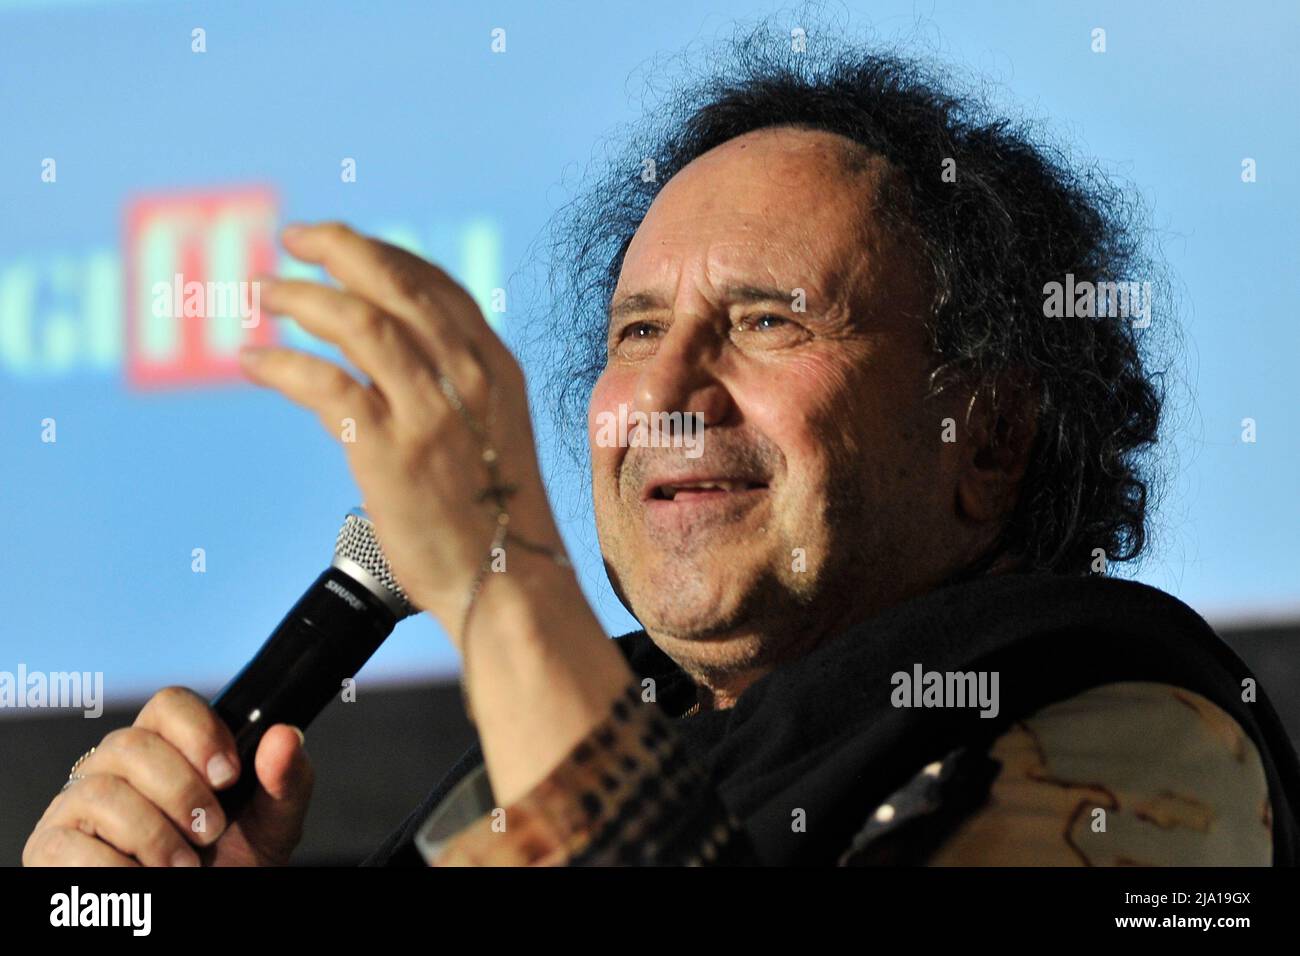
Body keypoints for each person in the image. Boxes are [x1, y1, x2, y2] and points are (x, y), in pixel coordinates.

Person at [24, 29, 1300, 868]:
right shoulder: (570, 751)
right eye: (637, 328)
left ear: (989, 441)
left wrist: (502, 582)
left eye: (765, 319)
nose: (667, 390)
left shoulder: (1141, 735)